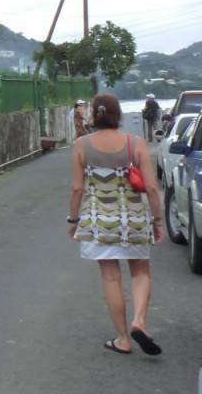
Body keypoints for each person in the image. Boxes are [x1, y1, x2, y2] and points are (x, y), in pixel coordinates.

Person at [68, 94, 163, 356]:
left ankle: (122, 339)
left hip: (100, 222)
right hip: (133, 219)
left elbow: (77, 188)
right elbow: (152, 188)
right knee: (141, 271)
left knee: (111, 276)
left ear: (94, 116)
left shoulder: (81, 145)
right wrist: (157, 221)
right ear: (119, 115)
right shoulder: (136, 143)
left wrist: (73, 220)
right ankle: (139, 321)